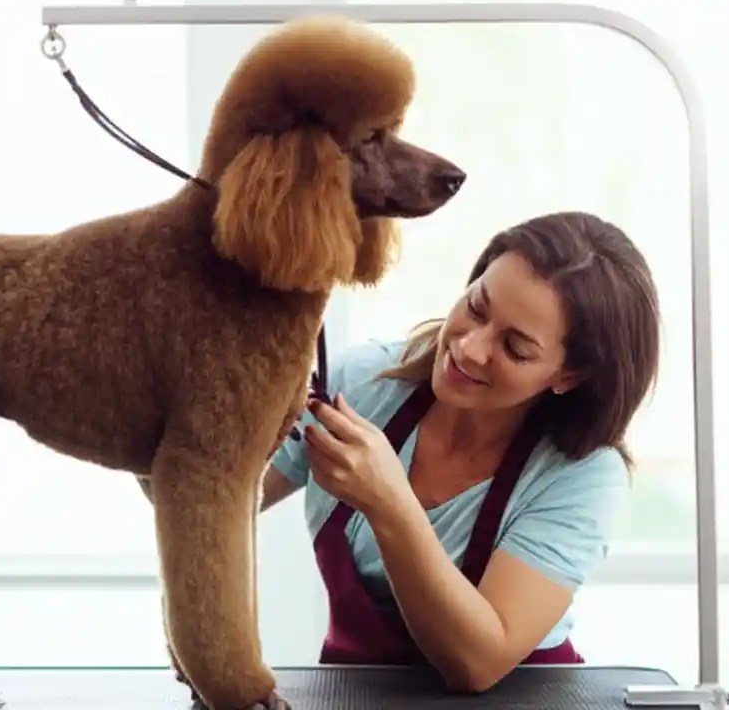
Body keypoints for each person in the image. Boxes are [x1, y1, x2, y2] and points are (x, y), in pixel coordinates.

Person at [260, 210, 661, 692]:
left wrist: (388, 501)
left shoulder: (582, 474)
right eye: (476, 307)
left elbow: (477, 663)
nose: (470, 348)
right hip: (356, 696)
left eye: (515, 348)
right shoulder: (360, 386)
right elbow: (204, 493)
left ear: (567, 376)